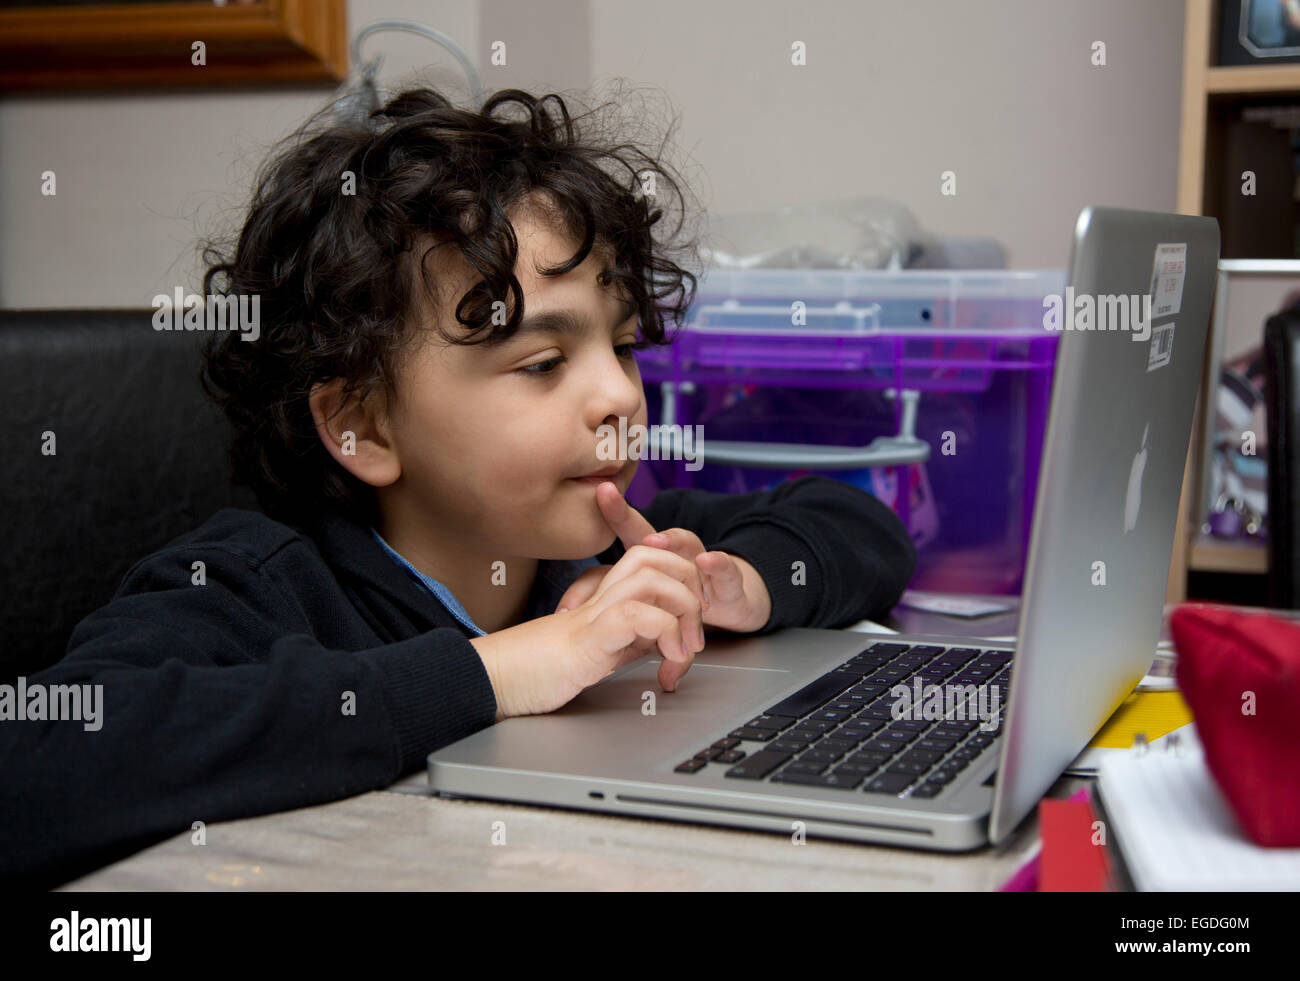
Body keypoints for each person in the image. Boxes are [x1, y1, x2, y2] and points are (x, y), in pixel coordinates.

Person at [0, 86, 916, 888]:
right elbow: (35, 766)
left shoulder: (600, 544)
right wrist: (502, 668)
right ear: (364, 422)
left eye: (625, 344)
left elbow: (860, 523)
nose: (619, 395)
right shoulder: (254, 586)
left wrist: (737, 582)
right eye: (546, 361)